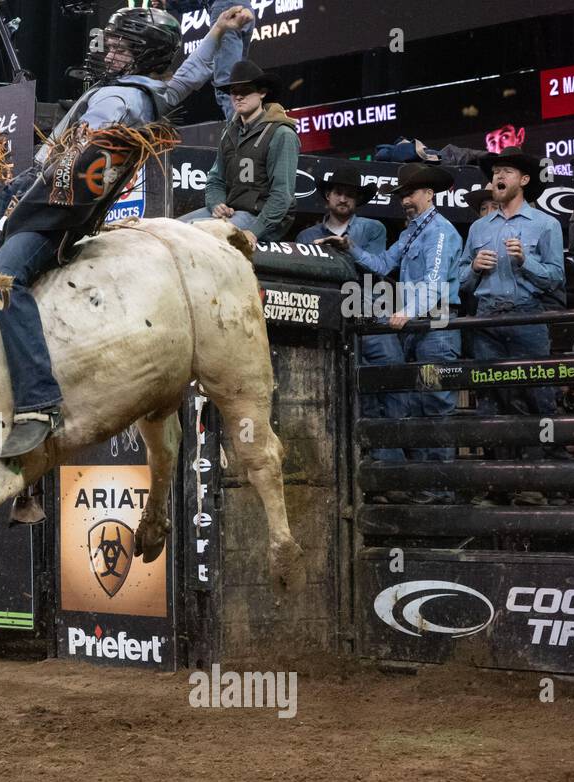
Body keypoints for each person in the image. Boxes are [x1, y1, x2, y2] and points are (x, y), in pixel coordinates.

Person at [0, 4, 252, 458]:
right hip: (28, 194)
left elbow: (71, 170)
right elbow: (190, 76)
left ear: (144, 55)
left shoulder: (118, 102)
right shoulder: (148, 92)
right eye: (111, 46)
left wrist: (10, 215)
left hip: (41, 211)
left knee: (0, 276)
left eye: (120, 49)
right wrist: (217, 30)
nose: (108, 54)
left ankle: (37, 404)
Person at [324, 164, 464, 504]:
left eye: (410, 194)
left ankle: (440, 490)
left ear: (429, 194)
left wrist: (406, 311)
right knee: (420, 405)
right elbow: (384, 264)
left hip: (435, 324)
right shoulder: (413, 233)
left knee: (436, 405)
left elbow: (434, 282)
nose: (405, 201)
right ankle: (427, 486)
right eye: (402, 195)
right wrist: (350, 247)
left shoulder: (440, 232)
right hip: (419, 327)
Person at [457, 147, 567, 503]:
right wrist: (474, 268)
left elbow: (556, 278)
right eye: (495, 172)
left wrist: (525, 262)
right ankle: (499, 484)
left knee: (537, 399)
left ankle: (539, 482)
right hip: (487, 320)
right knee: (492, 402)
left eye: (506, 171)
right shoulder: (478, 228)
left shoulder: (546, 224)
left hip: (527, 317)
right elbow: (460, 282)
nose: (498, 176)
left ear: (524, 180)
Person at [300, 167, 407, 474]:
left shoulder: (372, 228)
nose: (343, 198)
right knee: (347, 396)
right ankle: (361, 471)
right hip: (334, 324)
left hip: (373, 318)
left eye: (350, 194)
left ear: (357, 199)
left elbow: (377, 268)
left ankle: (394, 471)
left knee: (392, 386)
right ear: (327, 196)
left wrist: (344, 250)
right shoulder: (307, 236)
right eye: (338, 192)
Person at [179, 59, 299, 247]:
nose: (239, 96)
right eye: (234, 91)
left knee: (197, 236)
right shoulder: (229, 132)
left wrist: (254, 231)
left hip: (261, 217)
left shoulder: (281, 133)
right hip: (233, 212)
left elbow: (282, 196)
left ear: (262, 92)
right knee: (174, 228)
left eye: (246, 90)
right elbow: (215, 180)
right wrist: (217, 204)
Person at [208, 1, 255, 121]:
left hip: (225, 10)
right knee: (239, 82)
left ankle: (238, 131)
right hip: (246, 7)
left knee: (227, 85)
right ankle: (248, 129)